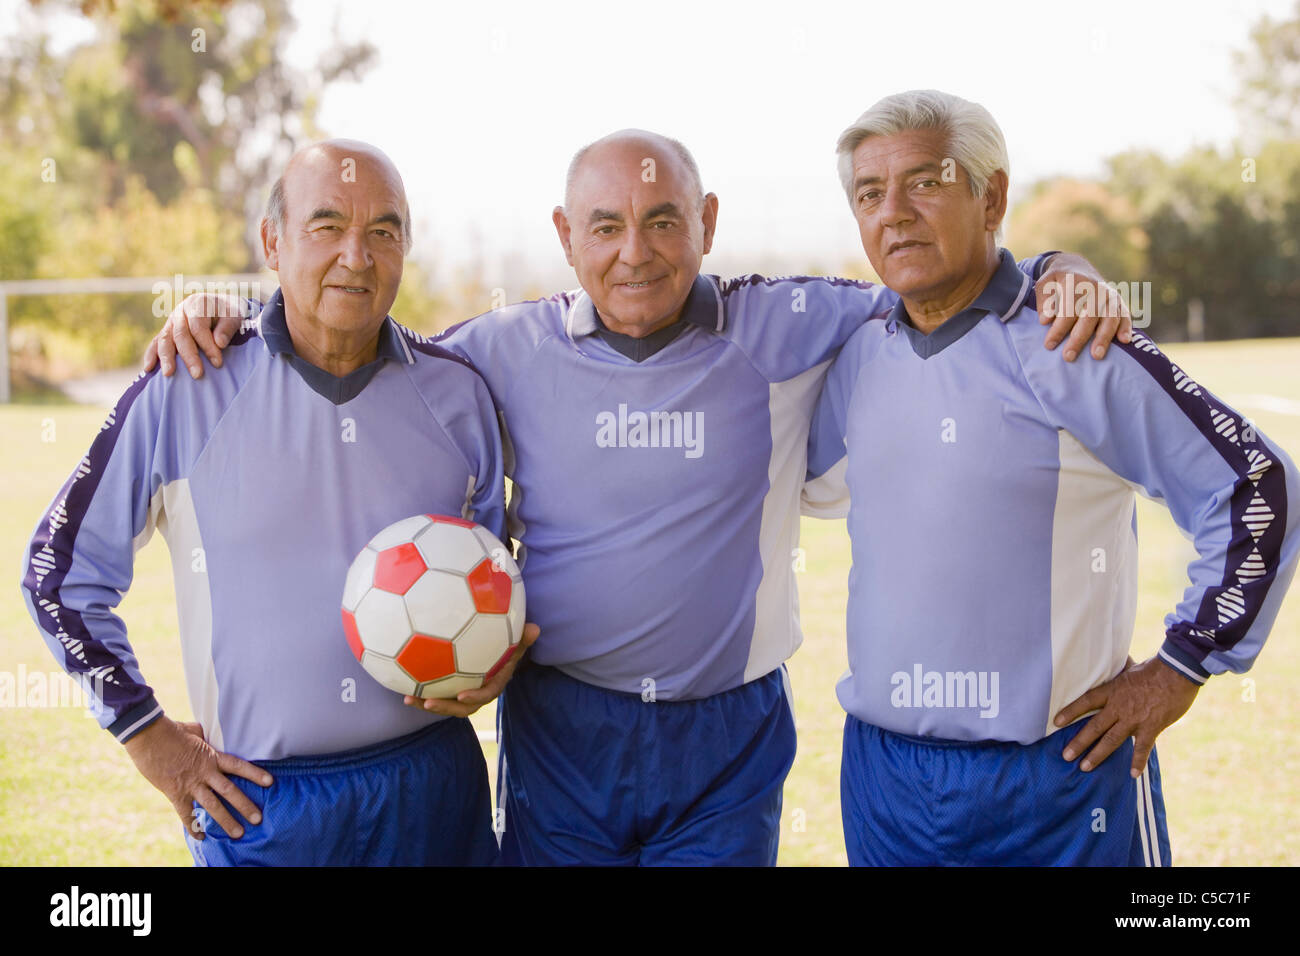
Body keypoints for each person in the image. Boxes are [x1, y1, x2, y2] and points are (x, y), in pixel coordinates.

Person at [144, 129, 1125, 866]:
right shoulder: (496, 350)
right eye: (605, 226)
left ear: (704, 223)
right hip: (564, 729)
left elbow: (936, 282)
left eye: (663, 222)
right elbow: (348, 322)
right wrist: (229, 311)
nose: (635, 252)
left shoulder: (782, 324)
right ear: (567, 236)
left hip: (726, 740)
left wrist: (1054, 269)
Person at [805, 90, 1300, 866]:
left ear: (991, 194)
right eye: (870, 194)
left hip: (1061, 780)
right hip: (887, 781)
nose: (893, 212)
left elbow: (1257, 485)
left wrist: (1181, 664)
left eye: (925, 182)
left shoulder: (1072, 341)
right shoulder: (855, 353)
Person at [21, 140, 534, 866]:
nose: (357, 256)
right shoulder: (186, 384)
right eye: (327, 226)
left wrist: (495, 665)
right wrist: (150, 737)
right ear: (272, 241)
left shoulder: (458, 394)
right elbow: (55, 572)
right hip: (263, 805)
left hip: (435, 788)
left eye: (383, 232)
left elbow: (494, 583)